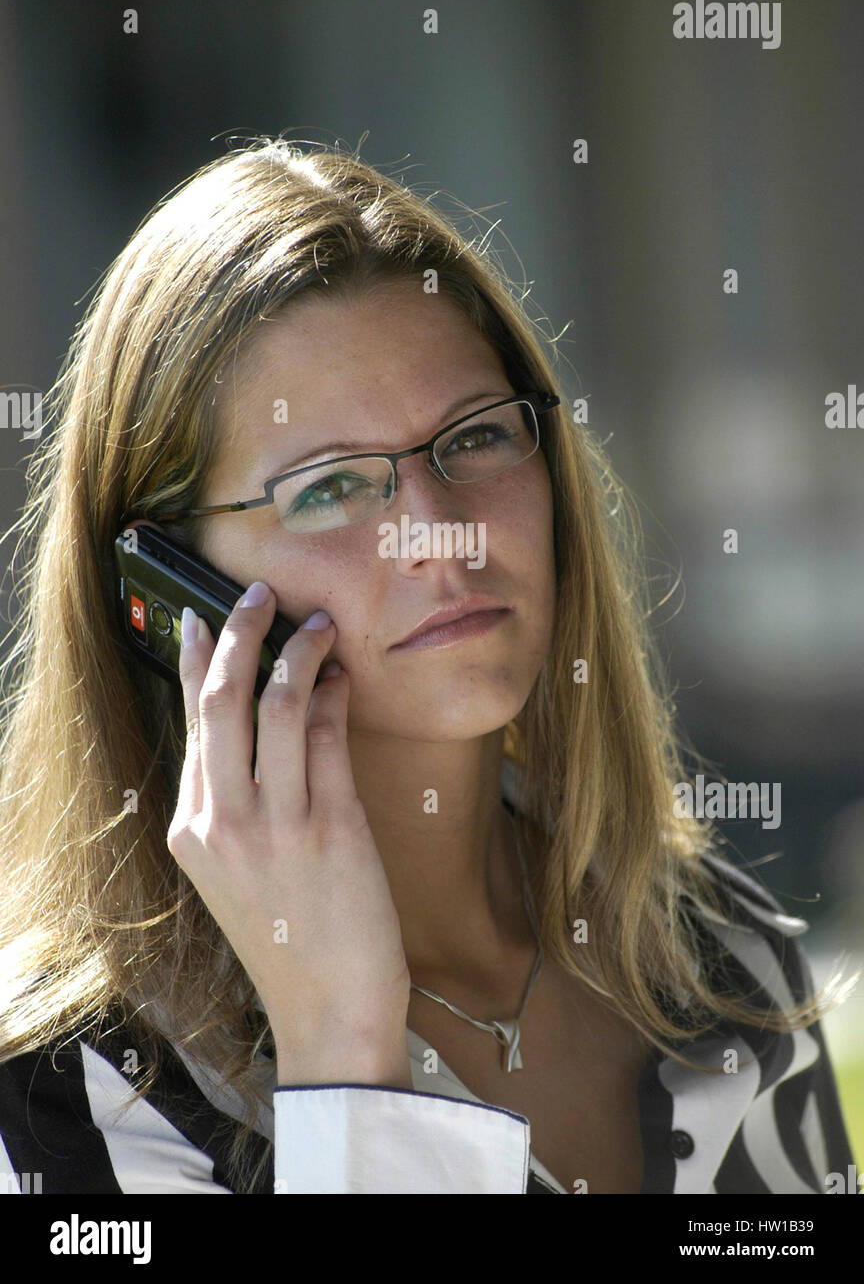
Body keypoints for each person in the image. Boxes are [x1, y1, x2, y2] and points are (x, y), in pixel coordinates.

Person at [0, 137, 857, 1195]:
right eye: (329, 489)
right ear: (167, 592)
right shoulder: (66, 1101)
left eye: (476, 439)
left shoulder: (718, 960)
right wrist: (344, 1057)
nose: (439, 534)